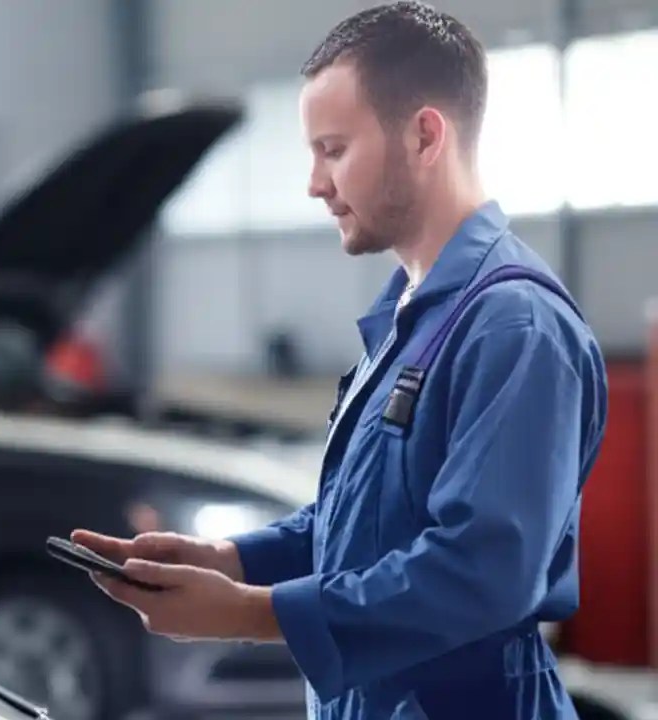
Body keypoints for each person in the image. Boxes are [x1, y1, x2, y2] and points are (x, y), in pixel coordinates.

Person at [73, 2, 609, 718]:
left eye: (333, 149)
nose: (315, 184)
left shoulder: (515, 327)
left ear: (424, 135)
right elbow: (365, 523)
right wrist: (227, 561)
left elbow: (483, 571)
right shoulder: (411, 317)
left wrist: (249, 614)